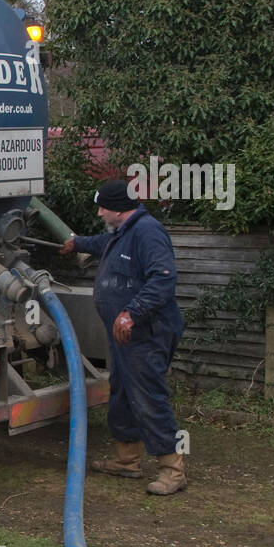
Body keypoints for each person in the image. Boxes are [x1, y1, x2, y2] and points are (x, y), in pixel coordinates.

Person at [58, 179, 187, 494]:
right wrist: (78, 243)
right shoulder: (123, 233)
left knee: (147, 396)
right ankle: (127, 460)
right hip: (125, 336)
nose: (100, 212)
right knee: (122, 393)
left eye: (104, 207)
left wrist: (132, 313)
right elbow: (103, 243)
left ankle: (173, 471)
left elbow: (163, 279)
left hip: (147, 332)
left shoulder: (148, 232)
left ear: (120, 209)